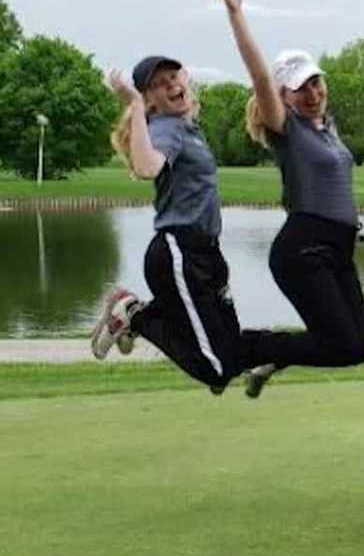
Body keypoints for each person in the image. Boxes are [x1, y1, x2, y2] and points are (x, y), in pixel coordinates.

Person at [212, 0, 364, 399]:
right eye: (301, 87)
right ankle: (250, 348)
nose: (314, 92)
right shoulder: (287, 128)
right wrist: (235, 11)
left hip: (338, 248)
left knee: (359, 348)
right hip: (303, 250)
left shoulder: (328, 127)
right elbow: (259, 75)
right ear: (284, 96)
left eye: (316, 82)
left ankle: (276, 355)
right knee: (340, 343)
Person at [95, 57, 255, 394]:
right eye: (158, 84)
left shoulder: (186, 128)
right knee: (215, 371)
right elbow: (147, 167)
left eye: (173, 76)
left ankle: (149, 311)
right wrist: (136, 107)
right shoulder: (166, 128)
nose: (170, 84)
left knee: (229, 359)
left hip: (206, 254)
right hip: (179, 251)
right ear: (150, 98)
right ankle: (134, 315)